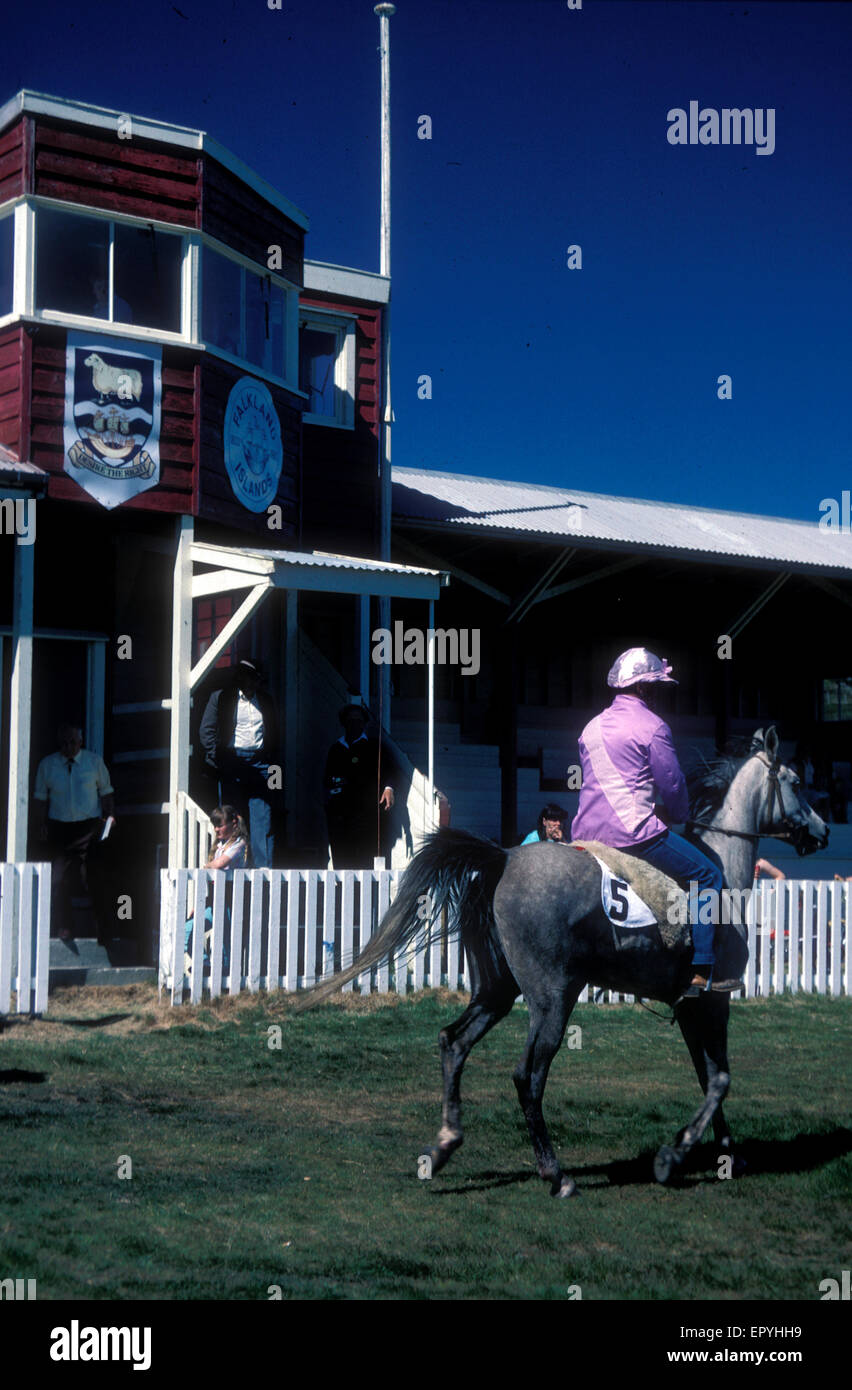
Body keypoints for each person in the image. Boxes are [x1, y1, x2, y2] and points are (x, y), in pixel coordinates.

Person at [571, 647, 731, 998]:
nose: (659, 694)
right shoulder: (654, 727)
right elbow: (673, 786)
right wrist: (676, 816)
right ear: (643, 688)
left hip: (585, 833)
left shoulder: (590, 728)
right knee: (709, 876)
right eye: (656, 687)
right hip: (633, 835)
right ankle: (701, 970)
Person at [32, 723, 115, 942]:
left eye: (72, 742)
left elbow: (106, 793)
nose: (68, 747)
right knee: (58, 880)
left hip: (88, 827)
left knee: (94, 878)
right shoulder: (48, 765)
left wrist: (109, 817)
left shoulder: (94, 762)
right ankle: (65, 927)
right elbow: (40, 799)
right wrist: (39, 824)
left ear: (80, 742)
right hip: (60, 828)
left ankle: (104, 931)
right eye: (64, 743)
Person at [199, 659, 279, 867]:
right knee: (232, 815)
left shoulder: (265, 701)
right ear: (240, 677)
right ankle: (232, 865)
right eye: (247, 676)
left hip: (260, 761)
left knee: (262, 816)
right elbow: (206, 731)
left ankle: (263, 871)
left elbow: (275, 733)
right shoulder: (221, 698)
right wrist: (219, 758)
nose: (251, 682)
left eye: (255, 678)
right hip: (232, 759)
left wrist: (271, 761)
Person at [324, 704, 395, 869]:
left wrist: (388, 788)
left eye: (358, 720)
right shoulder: (336, 749)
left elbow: (388, 770)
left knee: (365, 855)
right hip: (340, 812)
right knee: (341, 856)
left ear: (364, 723)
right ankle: (342, 891)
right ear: (344, 723)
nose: (354, 723)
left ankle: (363, 893)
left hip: (366, 813)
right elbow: (327, 779)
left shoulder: (373, 747)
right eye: (350, 720)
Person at [184, 806, 248, 972]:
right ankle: (204, 963)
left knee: (225, 939)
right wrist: (198, 904)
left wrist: (206, 866)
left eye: (220, 825)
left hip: (230, 898)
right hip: (213, 898)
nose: (216, 829)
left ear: (233, 824)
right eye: (215, 825)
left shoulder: (239, 843)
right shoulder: (220, 845)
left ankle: (226, 980)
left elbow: (220, 864)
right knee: (187, 929)